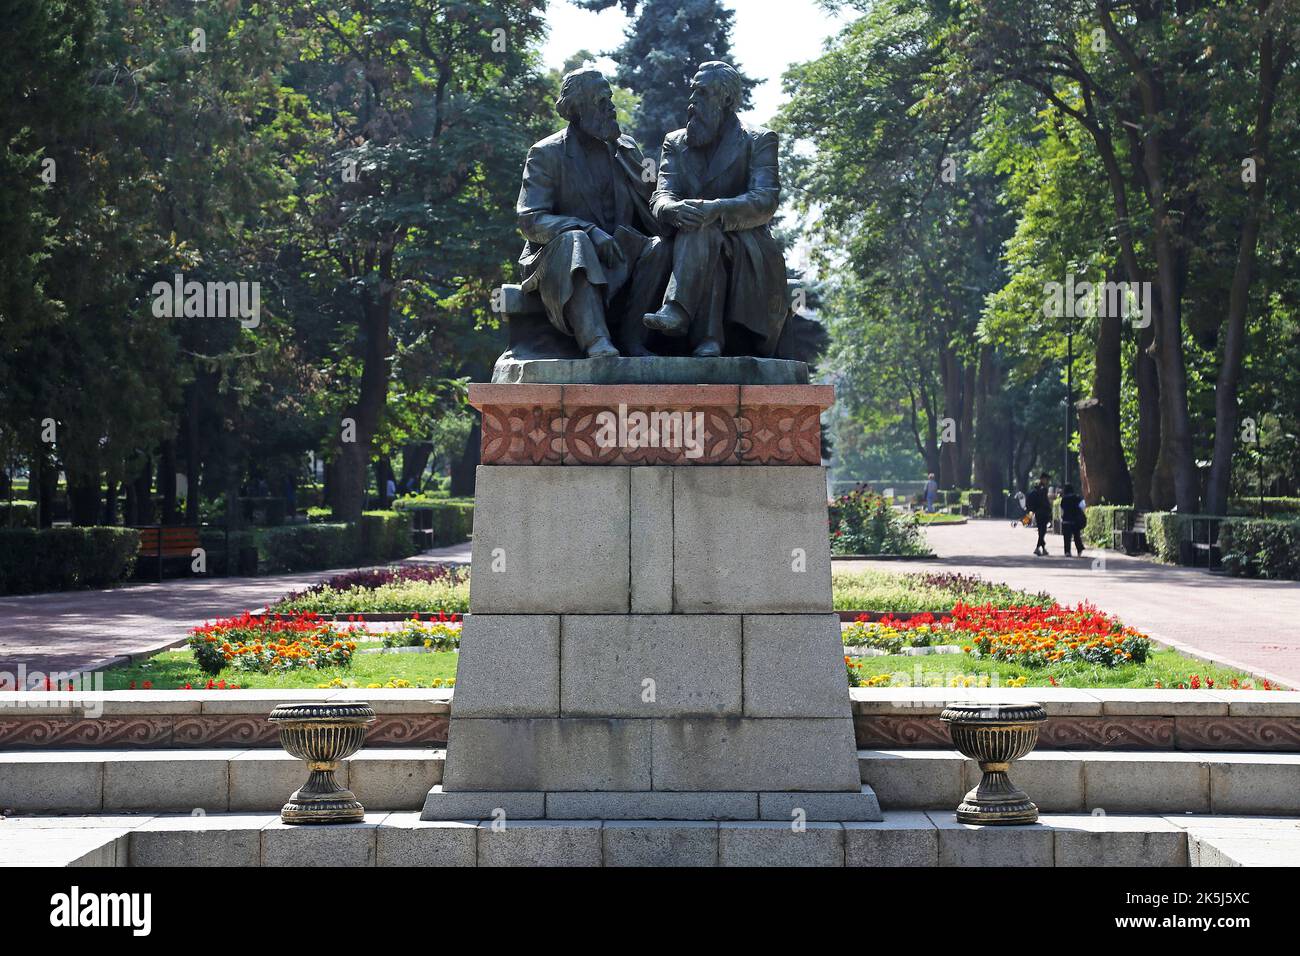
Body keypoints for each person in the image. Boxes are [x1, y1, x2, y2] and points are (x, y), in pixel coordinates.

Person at [516, 67, 673, 358]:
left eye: (610, 100)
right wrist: (589, 231)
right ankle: (596, 340)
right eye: (602, 102)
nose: (611, 108)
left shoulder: (624, 148)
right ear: (576, 109)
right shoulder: (546, 154)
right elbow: (530, 219)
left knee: (661, 247)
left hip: (619, 255)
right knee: (576, 240)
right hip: (560, 261)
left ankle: (632, 338)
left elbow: (650, 208)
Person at [642, 61, 789, 357]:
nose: (692, 101)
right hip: (687, 235)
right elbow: (662, 195)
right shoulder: (675, 142)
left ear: (725, 99)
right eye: (692, 92)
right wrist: (673, 210)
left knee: (705, 228)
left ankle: (678, 310)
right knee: (699, 230)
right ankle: (706, 339)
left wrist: (716, 210)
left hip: (745, 243)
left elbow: (765, 200)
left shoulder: (759, 140)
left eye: (702, 92)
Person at [1025, 472, 1053, 557]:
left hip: (1038, 512)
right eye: (1046, 479)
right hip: (1043, 512)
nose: (1047, 481)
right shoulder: (1043, 489)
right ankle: (1037, 548)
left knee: (1041, 531)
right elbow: (1044, 502)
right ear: (1042, 479)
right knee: (1042, 531)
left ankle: (1043, 549)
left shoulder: (1037, 488)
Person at [1059, 483, 1086, 557]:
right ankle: (1079, 550)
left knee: (1067, 537)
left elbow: (1061, 510)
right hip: (1075, 520)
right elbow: (1083, 506)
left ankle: (1067, 551)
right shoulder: (1077, 498)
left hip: (1066, 520)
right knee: (1077, 535)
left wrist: (1062, 517)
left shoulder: (1063, 499)